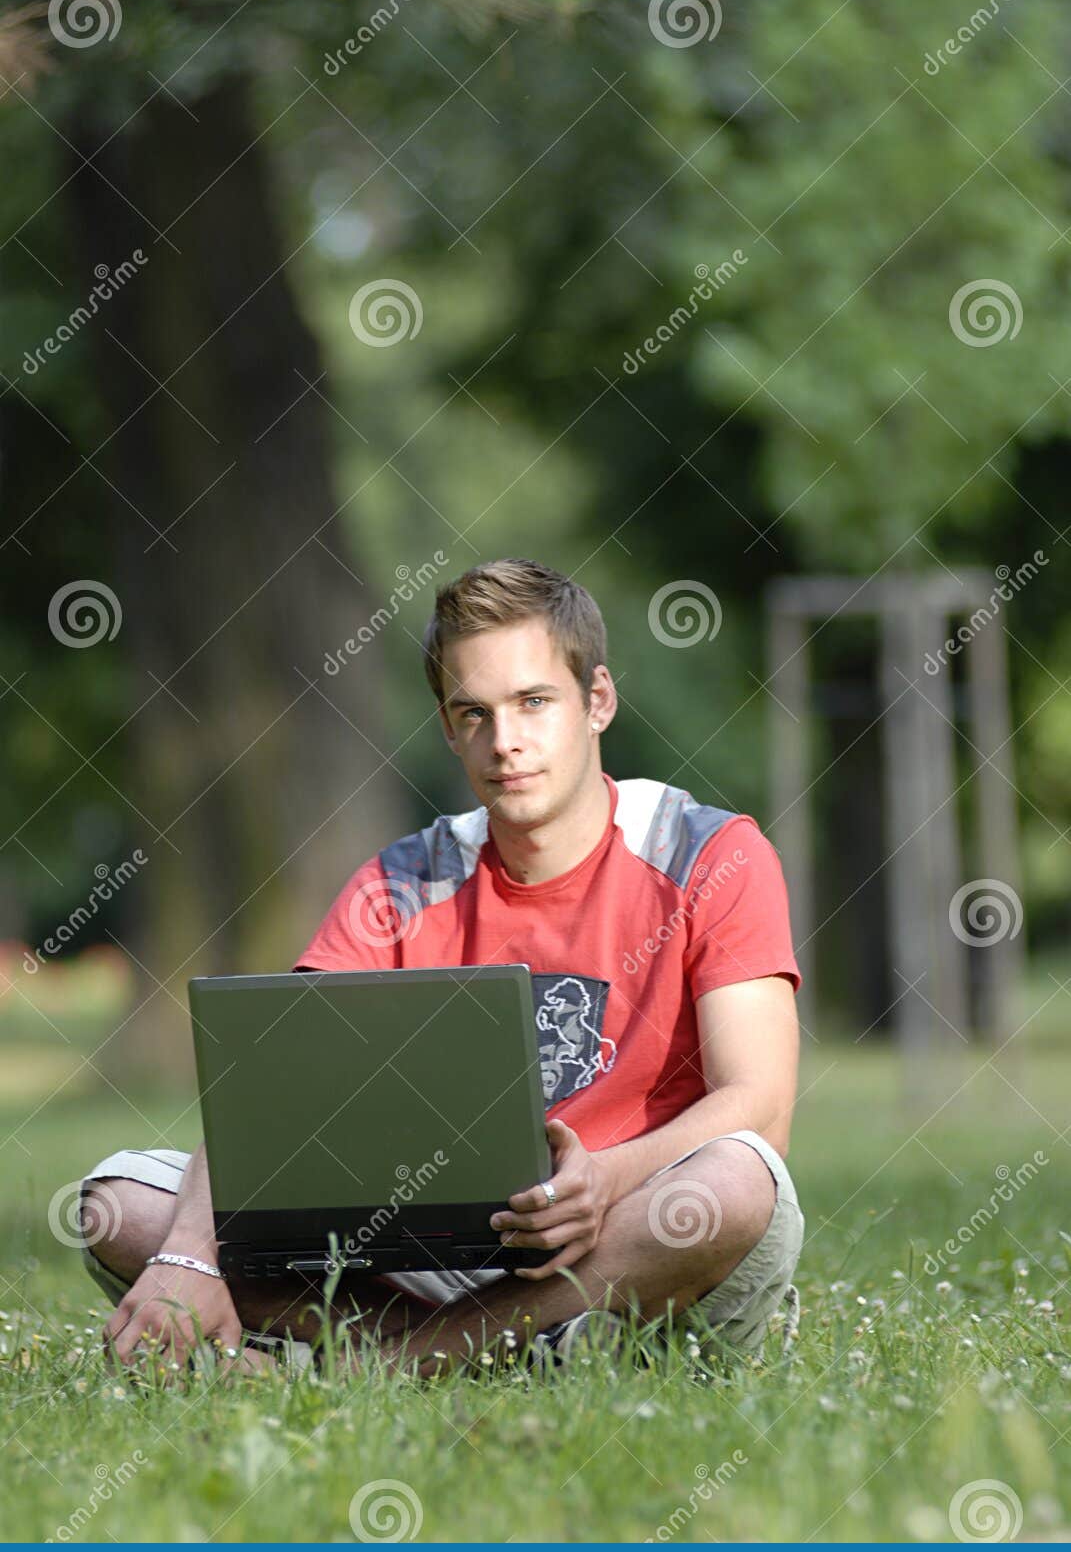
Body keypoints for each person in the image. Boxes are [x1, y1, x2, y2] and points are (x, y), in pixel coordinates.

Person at [76, 558, 805, 1378]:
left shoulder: (710, 852)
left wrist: (603, 1177)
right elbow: (270, 1083)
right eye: (475, 713)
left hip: (630, 1257)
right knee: (118, 1207)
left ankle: (378, 1367)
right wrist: (189, 1254)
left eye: (534, 702)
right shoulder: (405, 881)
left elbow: (758, 1107)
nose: (507, 742)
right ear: (449, 727)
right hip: (447, 1260)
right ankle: (477, 1357)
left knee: (736, 1183)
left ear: (596, 700)